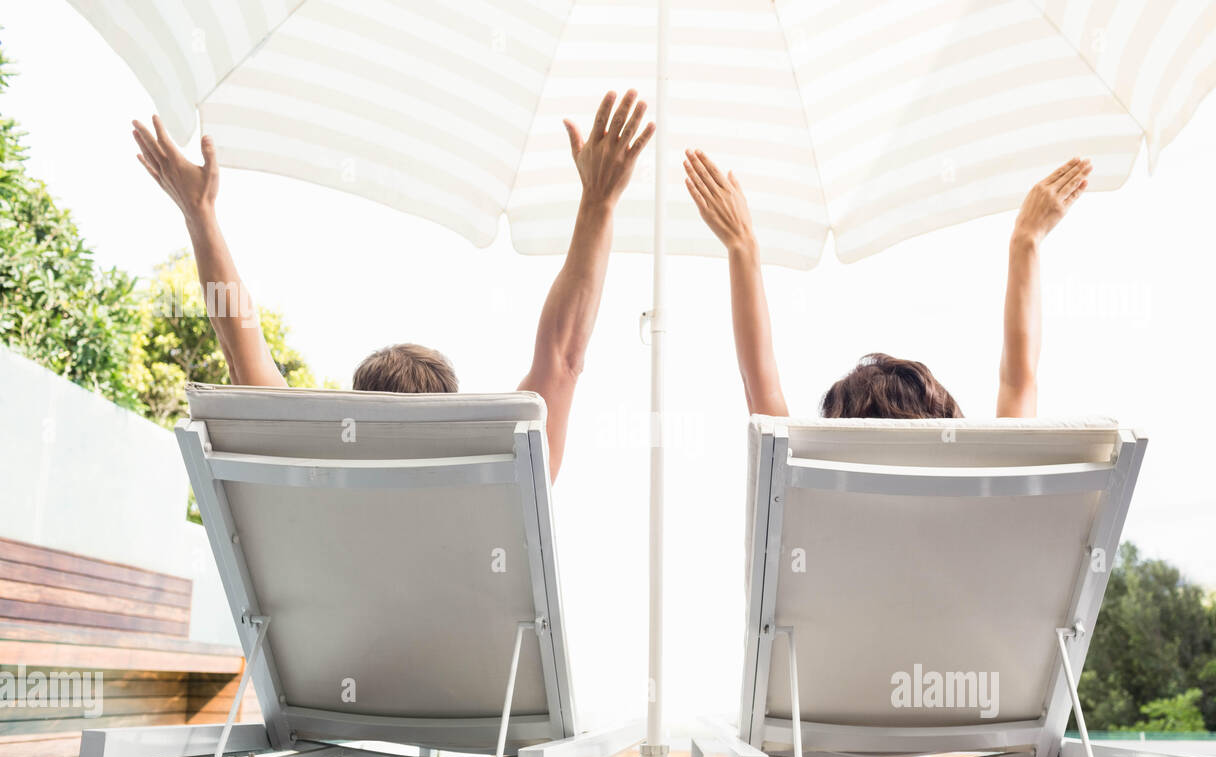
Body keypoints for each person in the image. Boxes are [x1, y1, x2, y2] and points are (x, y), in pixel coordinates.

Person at [131, 90, 655, 480]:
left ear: (355, 415)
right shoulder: (495, 477)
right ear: (449, 419)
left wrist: (199, 213)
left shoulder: (315, 471)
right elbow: (563, 358)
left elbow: (239, 343)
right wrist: (598, 202)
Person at [681, 149, 1092, 419]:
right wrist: (1026, 240)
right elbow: (1019, 380)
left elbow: (760, 387)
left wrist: (742, 245)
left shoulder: (819, 505)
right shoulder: (988, 496)